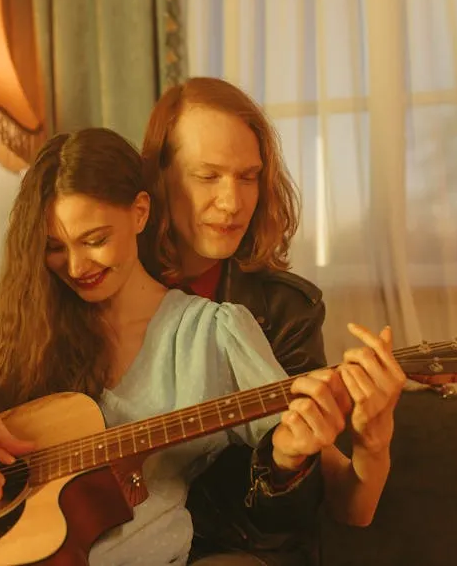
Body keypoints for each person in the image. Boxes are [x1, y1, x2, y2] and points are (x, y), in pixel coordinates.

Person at [0, 128, 348, 565]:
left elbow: (330, 479)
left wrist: (340, 441)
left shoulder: (215, 332)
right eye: (55, 248)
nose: (77, 268)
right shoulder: (16, 310)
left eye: (95, 240)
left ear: (139, 212)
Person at [137, 77, 407, 565]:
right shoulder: (109, 280)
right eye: (208, 176)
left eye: (248, 177)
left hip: (236, 551)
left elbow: (352, 510)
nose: (233, 202)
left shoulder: (286, 311)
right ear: (159, 177)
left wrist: (371, 441)